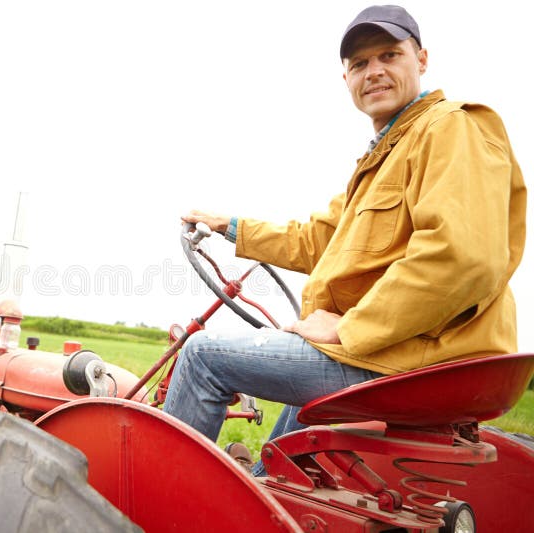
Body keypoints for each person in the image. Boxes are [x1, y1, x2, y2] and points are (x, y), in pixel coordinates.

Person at [162, 5, 527, 471]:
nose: (374, 72)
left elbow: (462, 257)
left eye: (389, 55)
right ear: (346, 80)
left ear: (422, 59)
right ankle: (265, 493)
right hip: (394, 355)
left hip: (413, 359)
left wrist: (348, 330)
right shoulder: (386, 156)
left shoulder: (451, 127)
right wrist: (231, 227)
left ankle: (163, 505)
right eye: (359, 64)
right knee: (297, 390)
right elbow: (319, 240)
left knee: (201, 356)